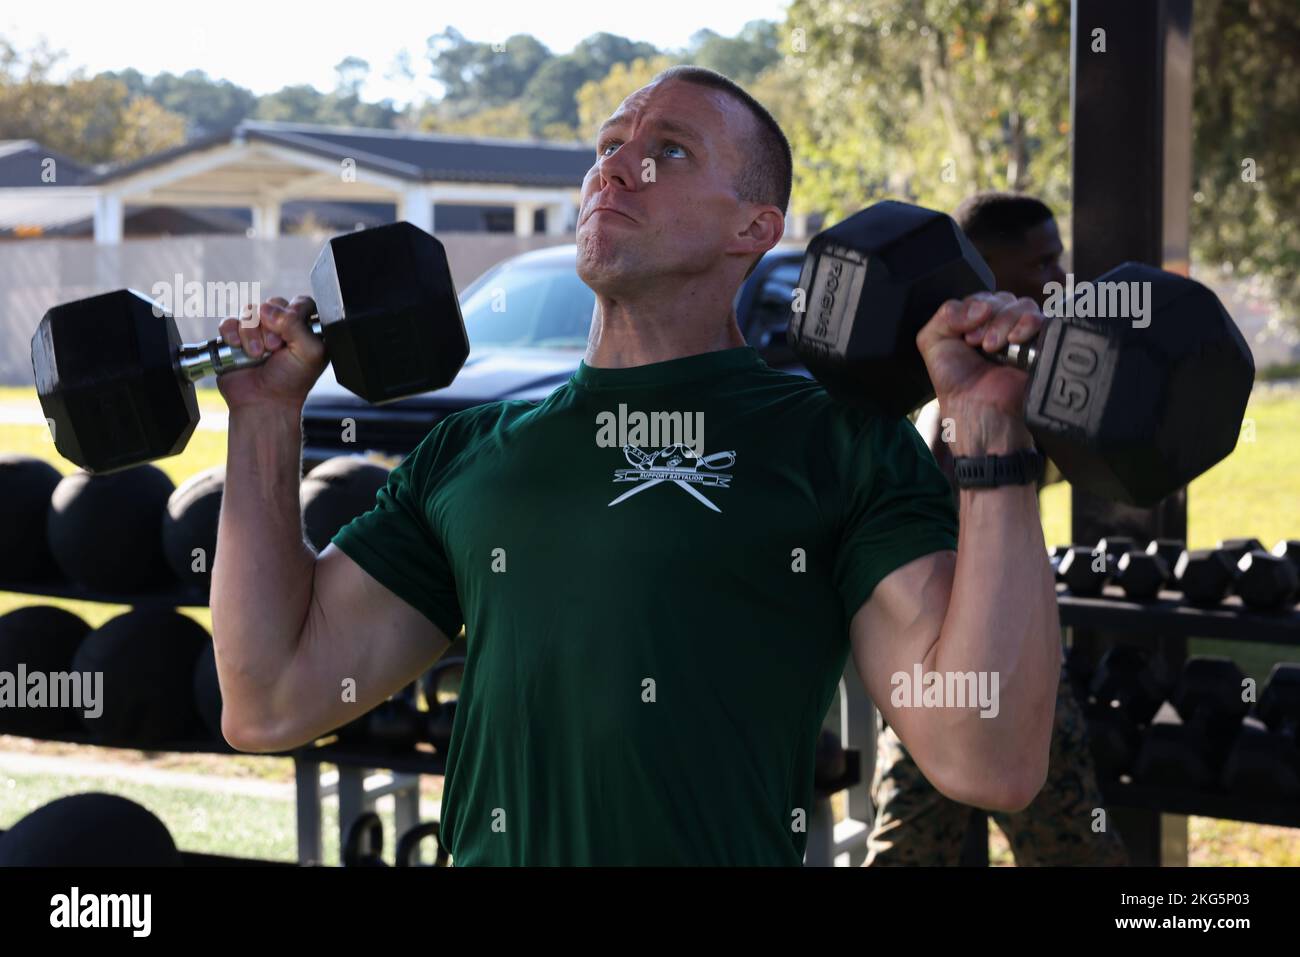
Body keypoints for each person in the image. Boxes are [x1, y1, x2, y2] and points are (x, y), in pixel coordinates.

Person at [211, 68, 1060, 866]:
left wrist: (989, 430)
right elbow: (272, 696)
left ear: (754, 228)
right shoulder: (469, 453)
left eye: (670, 151)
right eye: (609, 146)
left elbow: (986, 756)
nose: (617, 168)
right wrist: (262, 419)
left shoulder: (837, 447)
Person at [866, 192, 1128, 867]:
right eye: (1043, 260)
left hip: (1012, 654)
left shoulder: (1025, 369)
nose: (1059, 276)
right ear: (986, 267)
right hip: (938, 658)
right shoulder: (944, 378)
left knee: (1074, 850)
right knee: (909, 851)